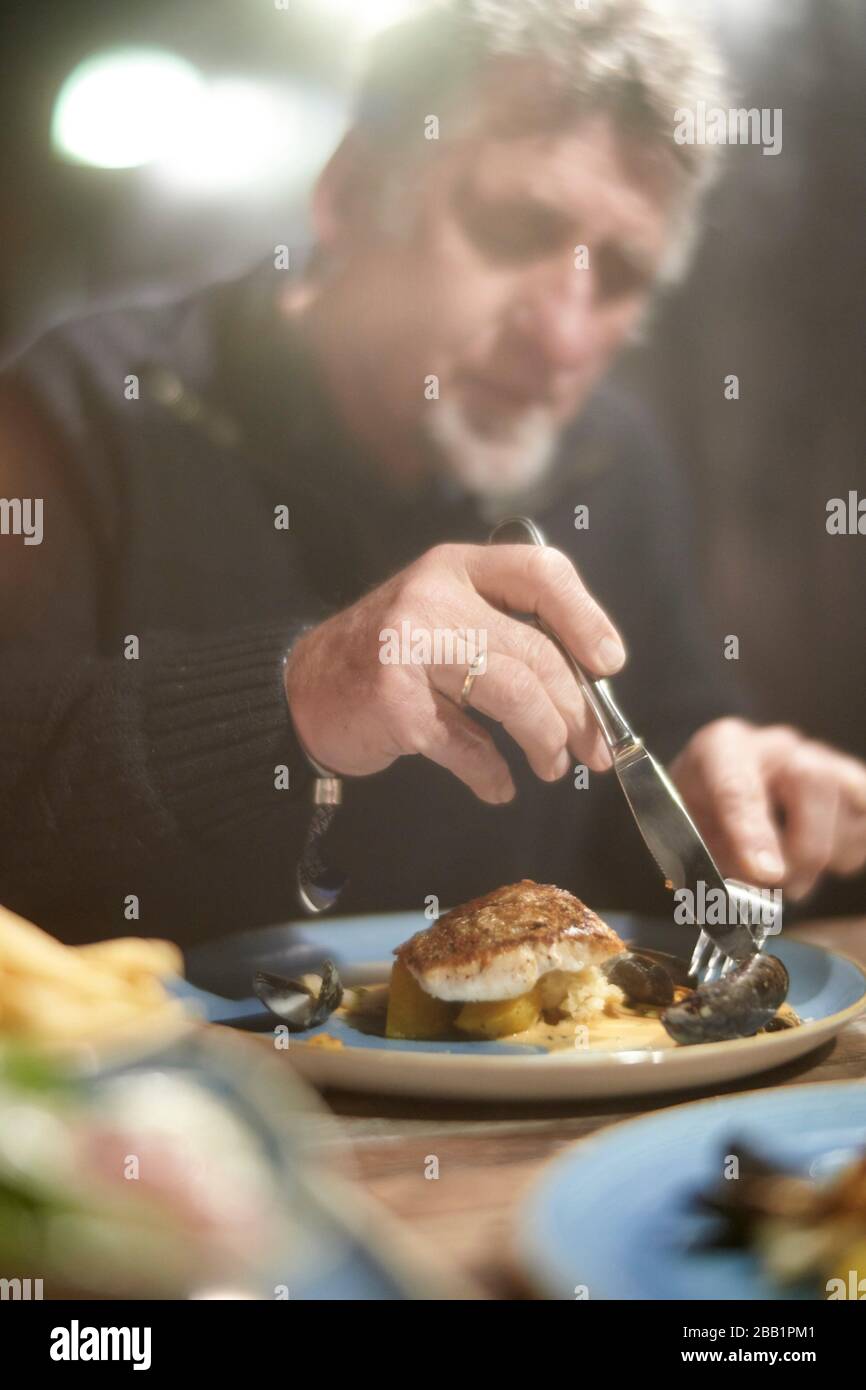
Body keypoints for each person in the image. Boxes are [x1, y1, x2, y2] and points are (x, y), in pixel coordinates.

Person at [1, 0, 864, 946]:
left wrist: (727, 804)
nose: (566, 337)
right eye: (510, 227)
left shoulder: (611, 457)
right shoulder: (87, 405)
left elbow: (662, 738)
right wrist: (298, 689)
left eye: (617, 275)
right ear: (351, 190)